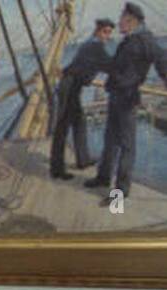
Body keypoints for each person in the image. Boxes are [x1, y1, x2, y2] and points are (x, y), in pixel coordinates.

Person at [84, 3, 167, 202]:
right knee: (110, 141)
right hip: (115, 96)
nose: (118, 23)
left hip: (128, 98)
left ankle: (120, 193)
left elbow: (162, 57)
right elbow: (117, 67)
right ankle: (103, 178)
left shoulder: (144, 40)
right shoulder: (129, 41)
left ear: (131, 20)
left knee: (126, 146)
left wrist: (166, 78)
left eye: (121, 19)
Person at [49, 18, 114, 179]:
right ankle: (57, 170)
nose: (108, 36)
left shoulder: (88, 44)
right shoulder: (95, 46)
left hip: (72, 85)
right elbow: (110, 65)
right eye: (105, 32)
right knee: (62, 127)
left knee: (79, 122)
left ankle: (83, 159)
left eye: (110, 33)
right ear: (98, 31)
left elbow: (77, 64)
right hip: (69, 87)